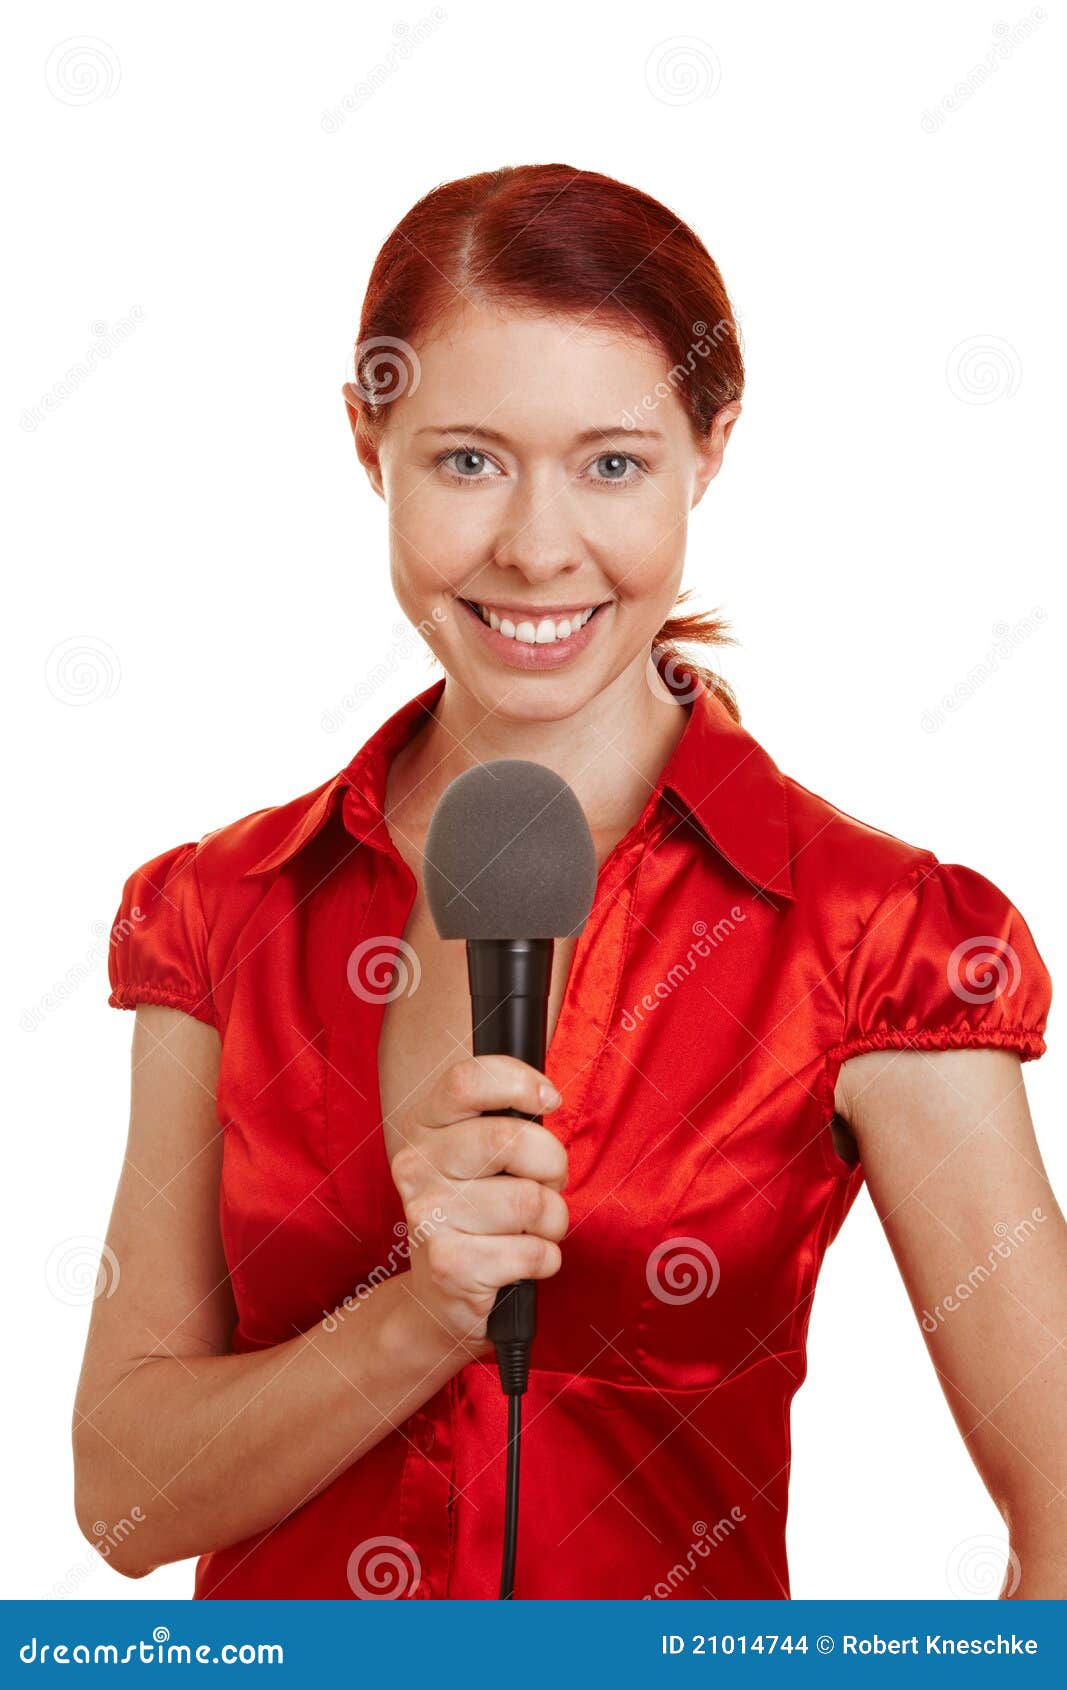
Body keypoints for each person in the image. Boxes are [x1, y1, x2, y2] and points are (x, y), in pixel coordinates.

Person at [73, 164, 1062, 1601]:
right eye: (468, 460)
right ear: (371, 440)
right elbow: (122, 1500)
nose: (537, 549)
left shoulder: (874, 935)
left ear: (709, 448)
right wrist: (418, 1315)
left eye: (613, 462)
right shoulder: (224, 910)